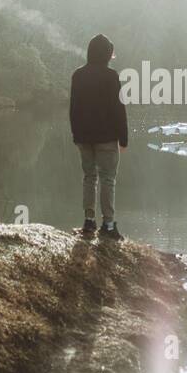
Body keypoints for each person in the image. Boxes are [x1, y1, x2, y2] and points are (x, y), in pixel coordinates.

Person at [69, 33, 127, 239]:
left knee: (89, 177)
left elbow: (73, 108)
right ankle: (108, 226)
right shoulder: (111, 76)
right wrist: (124, 138)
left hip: (84, 137)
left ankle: (88, 221)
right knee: (108, 179)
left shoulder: (78, 75)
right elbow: (118, 109)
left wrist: (76, 133)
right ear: (107, 54)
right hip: (107, 137)